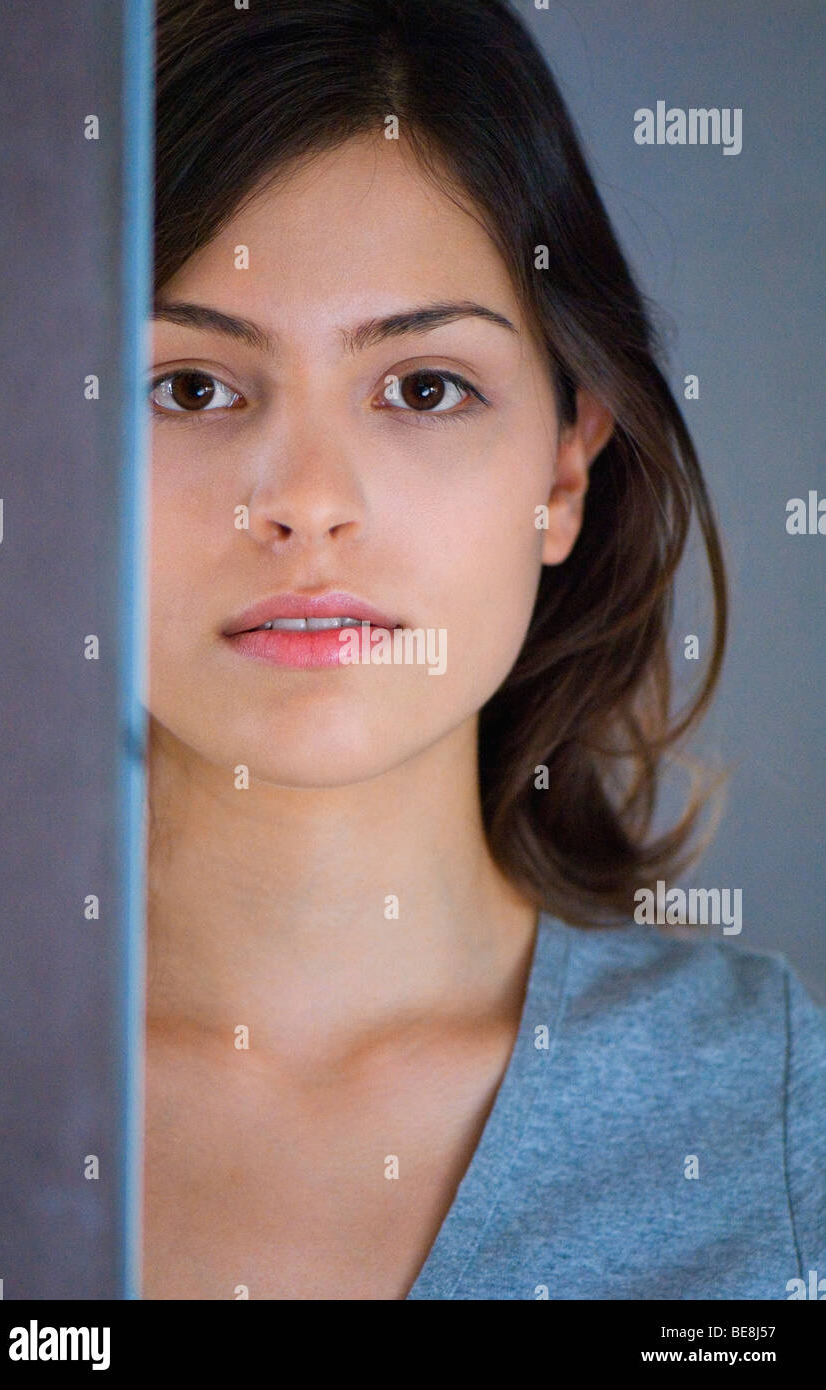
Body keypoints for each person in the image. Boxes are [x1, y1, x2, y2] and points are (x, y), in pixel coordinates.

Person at [141, 0, 826, 1299]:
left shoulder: (773, 1115)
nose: (308, 498)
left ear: (565, 470)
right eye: (192, 386)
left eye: (423, 387)